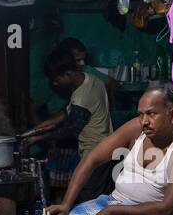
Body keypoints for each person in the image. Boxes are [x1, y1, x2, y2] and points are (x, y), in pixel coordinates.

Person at [49, 84, 173, 215]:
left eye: (151, 114)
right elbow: (92, 159)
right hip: (113, 201)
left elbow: (169, 208)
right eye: (141, 114)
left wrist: (112, 211)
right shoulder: (137, 129)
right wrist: (66, 204)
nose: (144, 121)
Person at [24, 41, 113, 199]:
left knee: (89, 199)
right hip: (103, 150)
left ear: (68, 73)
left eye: (57, 79)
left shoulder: (82, 97)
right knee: (98, 198)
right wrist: (32, 131)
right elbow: (64, 113)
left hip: (95, 156)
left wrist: (37, 138)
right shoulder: (91, 80)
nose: (54, 83)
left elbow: (70, 130)